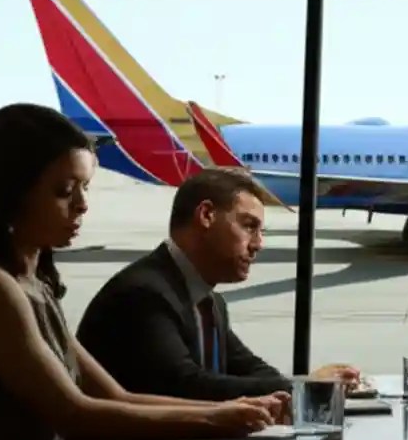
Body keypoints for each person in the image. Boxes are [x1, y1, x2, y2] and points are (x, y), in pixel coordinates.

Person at [0, 104, 275, 440]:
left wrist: (236, 407)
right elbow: (73, 413)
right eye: (64, 190)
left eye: (85, 188)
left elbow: (117, 397)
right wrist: (215, 417)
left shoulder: (34, 286)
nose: (82, 205)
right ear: (12, 193)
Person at [77, 168, 360, 401]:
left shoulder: (208, 300)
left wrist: (303, 386)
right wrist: (304, 390)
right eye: (249, 226)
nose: (259, 244)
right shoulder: (143, 295)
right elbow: (187, 387)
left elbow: (248, 368)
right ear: (206, 216)